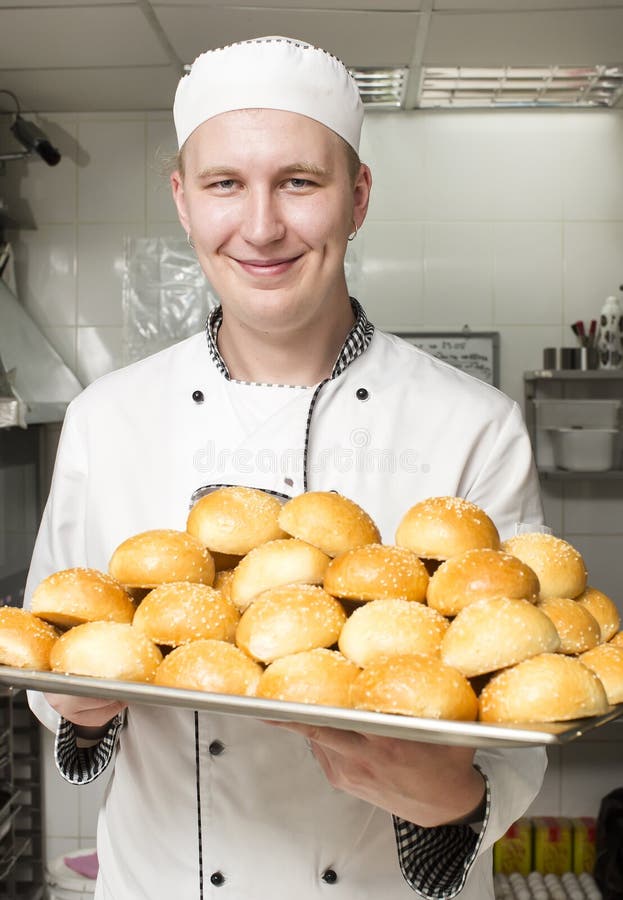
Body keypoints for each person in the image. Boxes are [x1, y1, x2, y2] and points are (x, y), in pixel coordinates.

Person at [25, 36, 547, 899]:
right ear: (183, 201)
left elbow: (516, 707)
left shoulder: (471, 426)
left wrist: (452, 803)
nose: (261, 226)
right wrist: (79, 716)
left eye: (298, 182)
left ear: (358, 197)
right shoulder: (105, 421)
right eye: (224, 183)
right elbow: (56, 664)